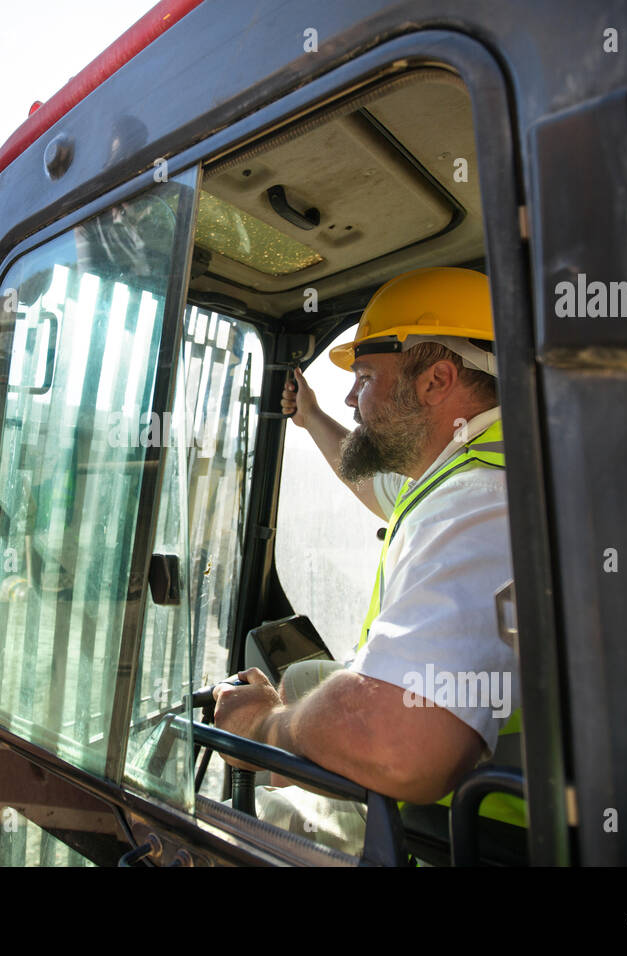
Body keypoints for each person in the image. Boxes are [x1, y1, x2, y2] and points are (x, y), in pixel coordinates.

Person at [212, 267, 521, 849]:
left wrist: (265, 726)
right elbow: (377, 490)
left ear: (436, 380)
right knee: (304, 676)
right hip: (476, 799)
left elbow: (403, 748)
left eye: (364, 376)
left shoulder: (481, 499)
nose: (351, 398)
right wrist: (310, 420)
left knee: (244, 820)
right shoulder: (475, 460)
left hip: (471, 831)